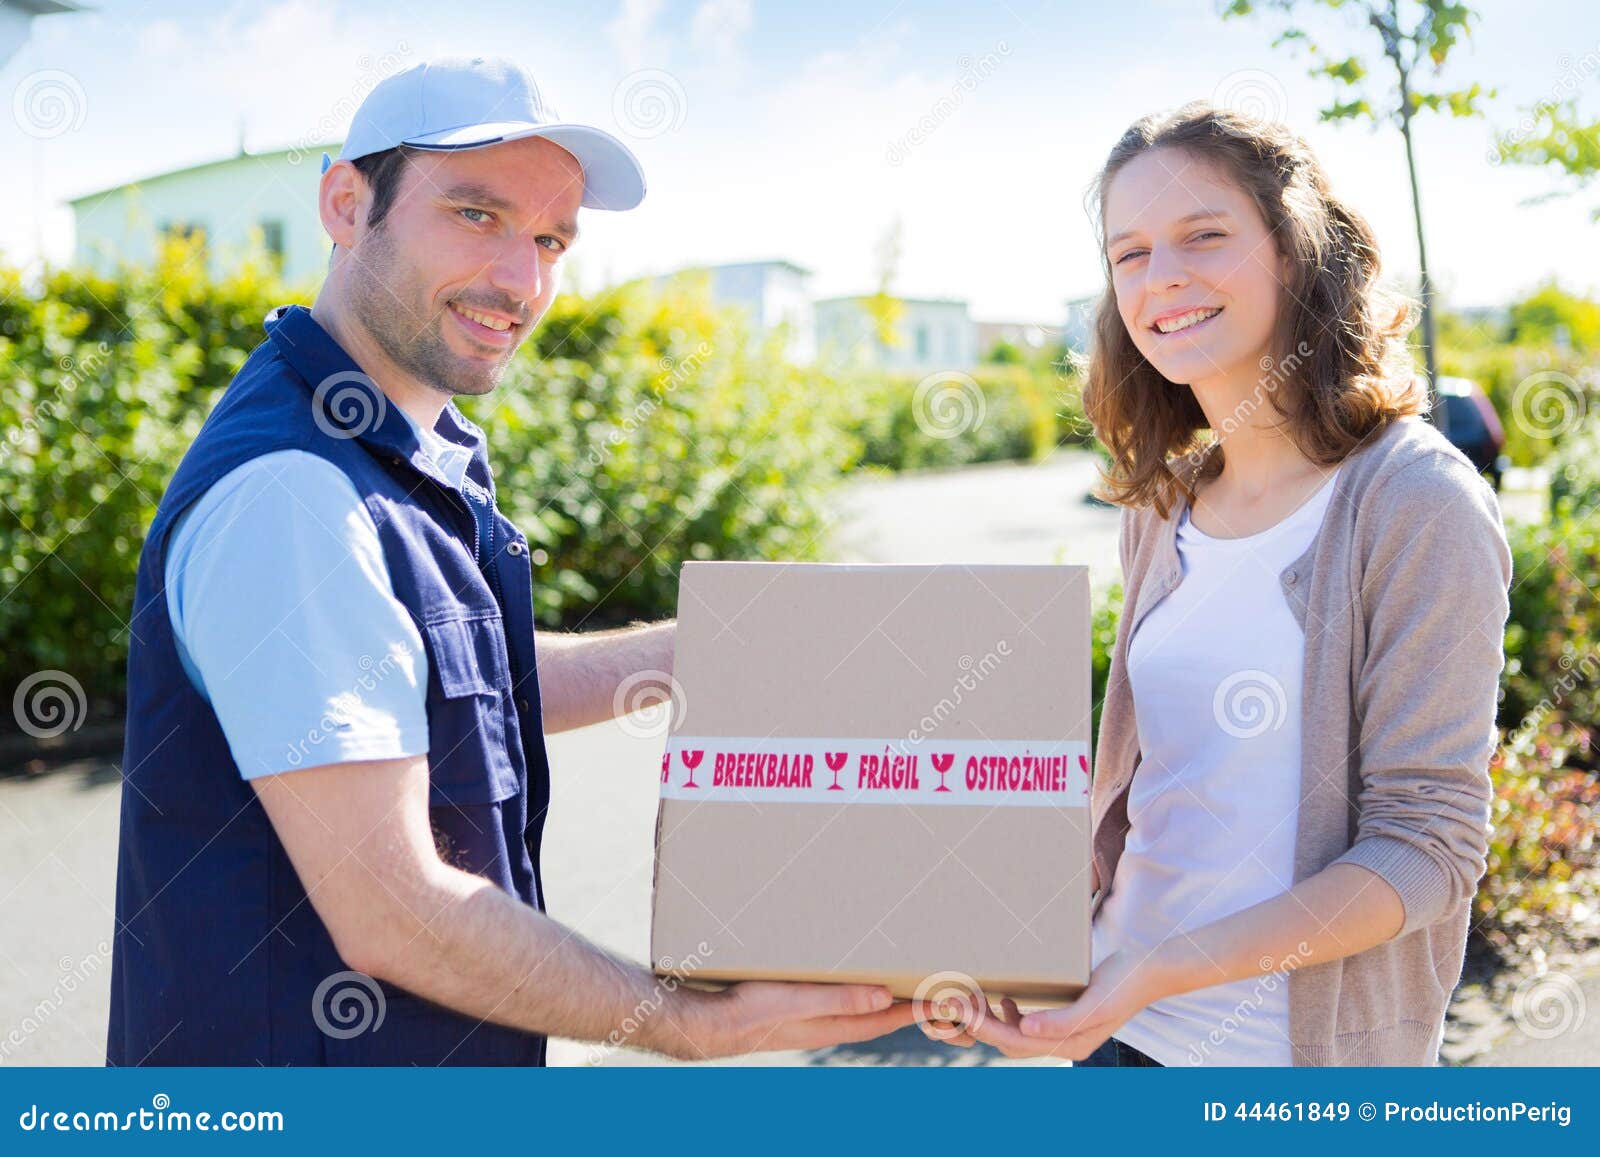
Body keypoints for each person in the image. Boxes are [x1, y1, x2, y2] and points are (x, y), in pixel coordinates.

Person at [107, 56, 912, 1066]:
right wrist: (691, 1020)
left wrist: (720, 647)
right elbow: (393, 911)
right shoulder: (294, 494)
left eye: (549, 238)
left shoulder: (393, 445)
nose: (520, 281)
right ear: (346, 205)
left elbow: (452, 677)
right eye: (475, 214)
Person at [927, 103, 1511, 1066]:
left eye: (1204, 235)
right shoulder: (1161, 505)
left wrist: (1160, 967)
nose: (1163, 279)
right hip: (1112, 1035)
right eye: (1130, 253)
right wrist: (1036, 934)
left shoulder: (1416, 503)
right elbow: (1158, 782)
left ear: (1295, 250)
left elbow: (1428, 850)